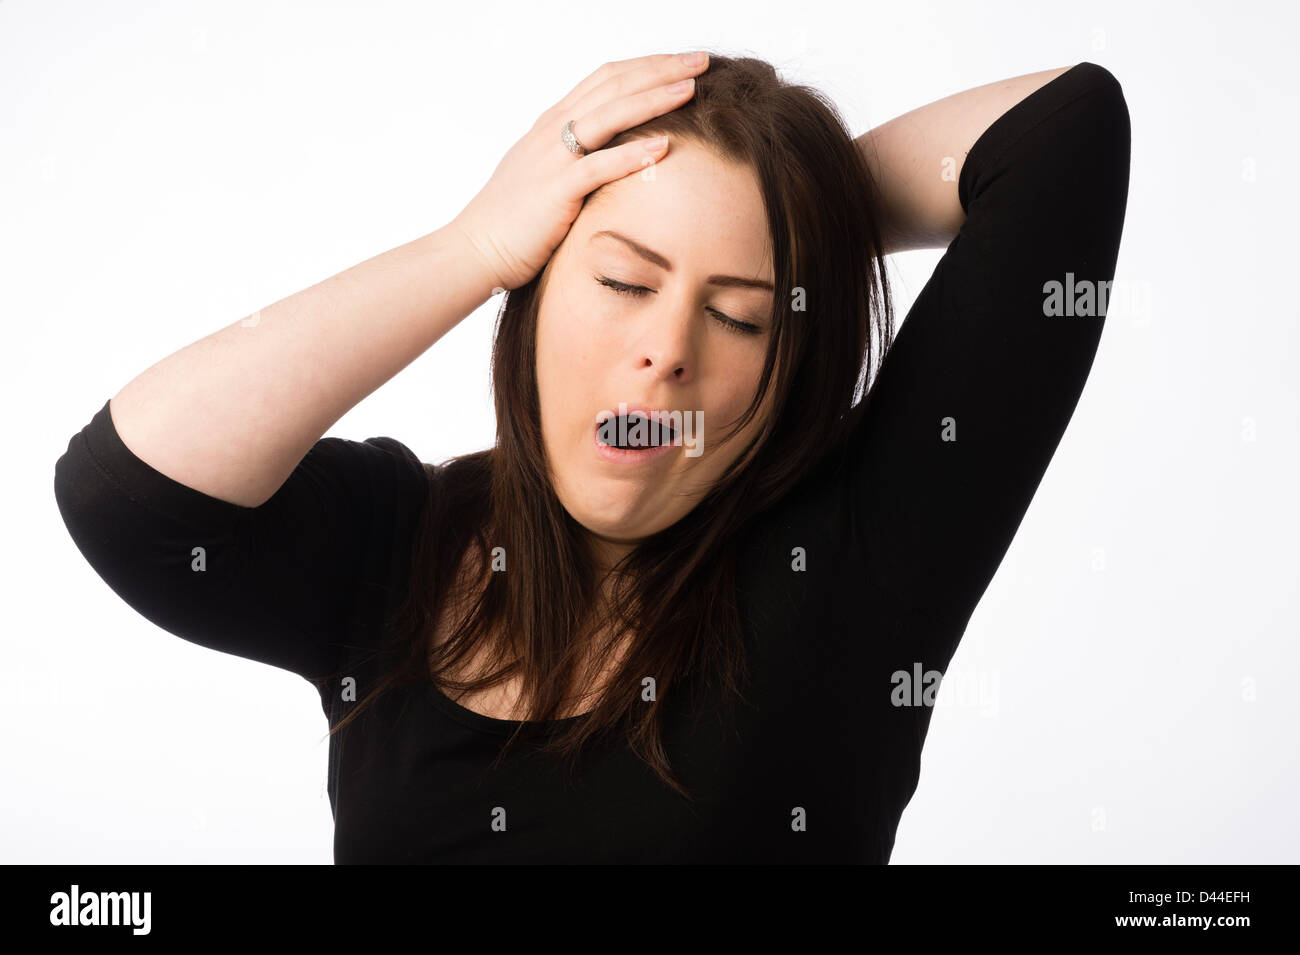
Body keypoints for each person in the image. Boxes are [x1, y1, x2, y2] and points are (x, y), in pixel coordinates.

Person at [53, 51, 1131, 863]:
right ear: (529, 297)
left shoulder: (855, 559)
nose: (666, 352)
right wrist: (468, 244)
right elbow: (127, 493)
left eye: (742, 315)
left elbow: (1062, 131)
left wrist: (792, 202)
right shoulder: (396, 544)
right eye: (621, 282)